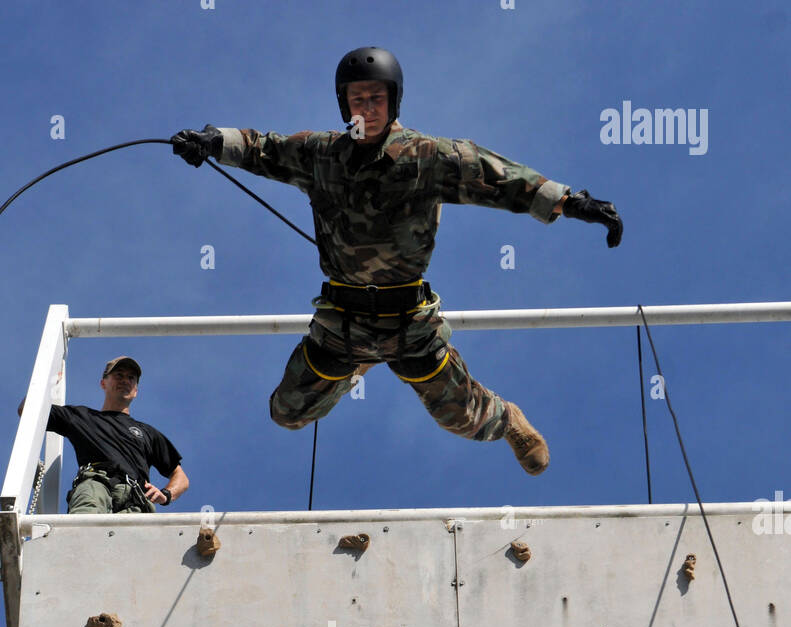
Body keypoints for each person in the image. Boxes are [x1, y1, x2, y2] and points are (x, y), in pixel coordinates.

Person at [171, 47, 622, 475]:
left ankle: (509, 421)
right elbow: (261, 149)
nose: (366, 108)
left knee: (461, 418)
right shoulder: (320, 155)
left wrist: (573, 203)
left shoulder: (430, 157)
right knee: (286, 412)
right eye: (357, 98)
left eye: (377, 98)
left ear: (394, 100)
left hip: (409, 321)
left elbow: (501, 178)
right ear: (343, 104)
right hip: (342, 320)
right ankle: (355, 367)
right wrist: (212, 142)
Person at [18, 357, 188, 513]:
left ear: (136, 390)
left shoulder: (147, 433)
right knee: (84, 527)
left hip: (135, 499)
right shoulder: (81, 417)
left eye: (131, 378)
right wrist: (47, 385)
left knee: (136, 541)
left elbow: (180, 476)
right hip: (95, 485)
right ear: (103, 383)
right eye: (118, 375)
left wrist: (166, 494)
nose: (125, 380)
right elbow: (27, 411)